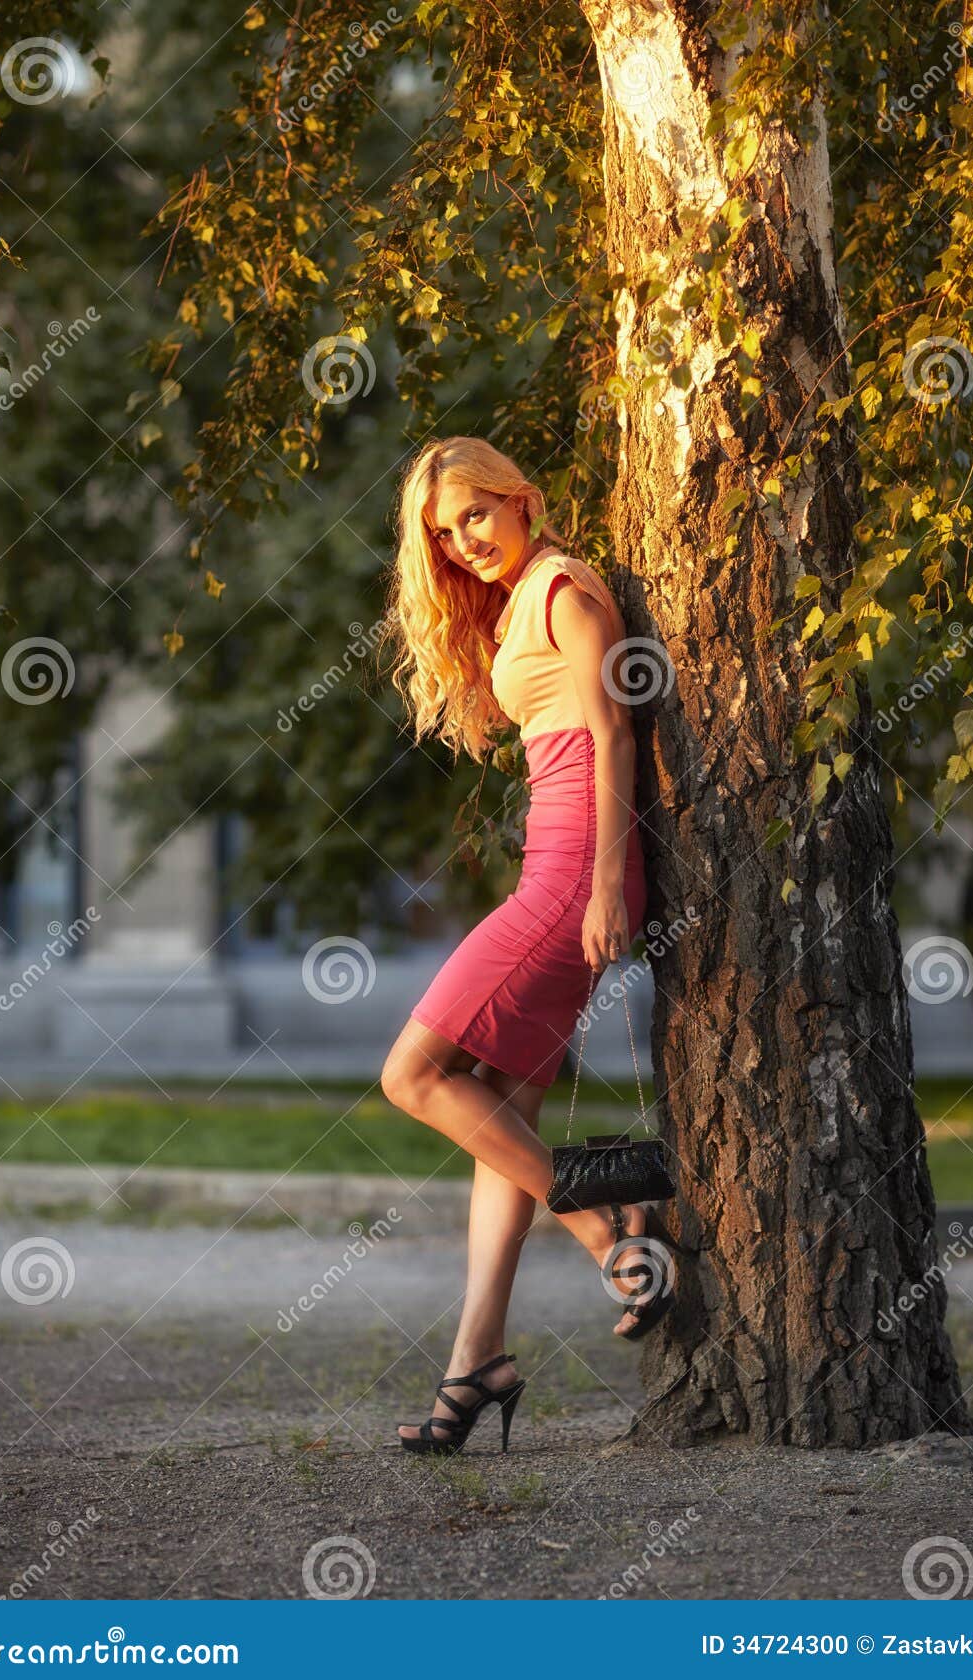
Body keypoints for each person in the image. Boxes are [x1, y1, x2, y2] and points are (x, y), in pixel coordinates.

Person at [380, 435, 669, 1455]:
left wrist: (600, 888)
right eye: (445, 536)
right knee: (496, 1117)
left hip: (570, 878)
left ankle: (608, 1233)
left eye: (475, 517)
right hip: (550, 869)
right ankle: (477, 1363)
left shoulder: (560, 589)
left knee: (411, 1074)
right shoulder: (525, 595)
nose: (464, 544)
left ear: (523, 500)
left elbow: (614, 734)